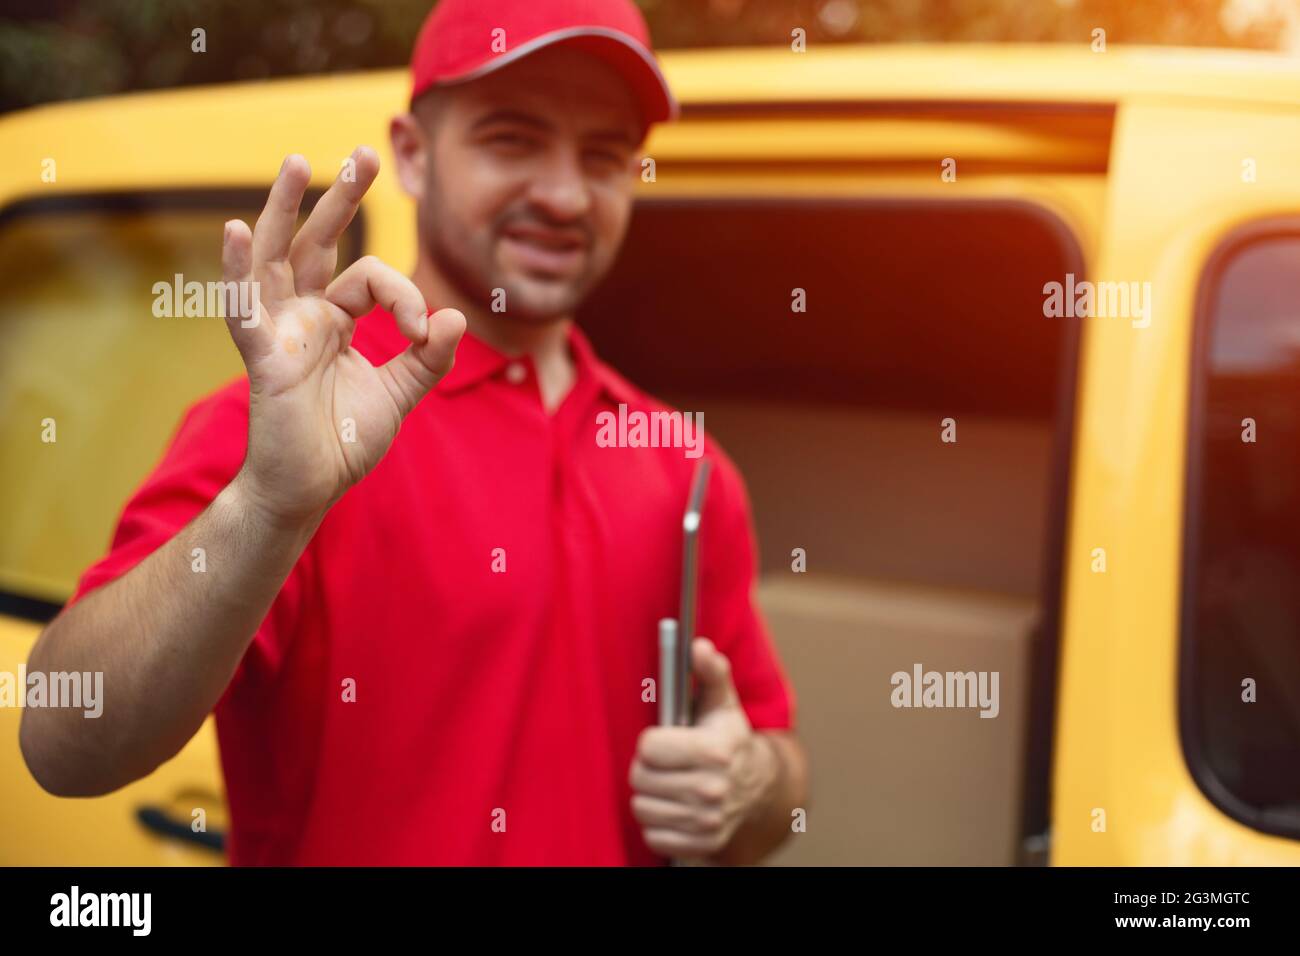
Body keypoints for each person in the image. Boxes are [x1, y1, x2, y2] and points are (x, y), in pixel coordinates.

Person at [20, 0, 807, 865]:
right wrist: (270, 502)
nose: (565, 193)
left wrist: (750, 783)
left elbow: (775, 766)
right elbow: (64, 741)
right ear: (410, 154)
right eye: (512, 139)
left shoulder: (684, 463)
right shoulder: (287, 430)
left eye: (605, 156)